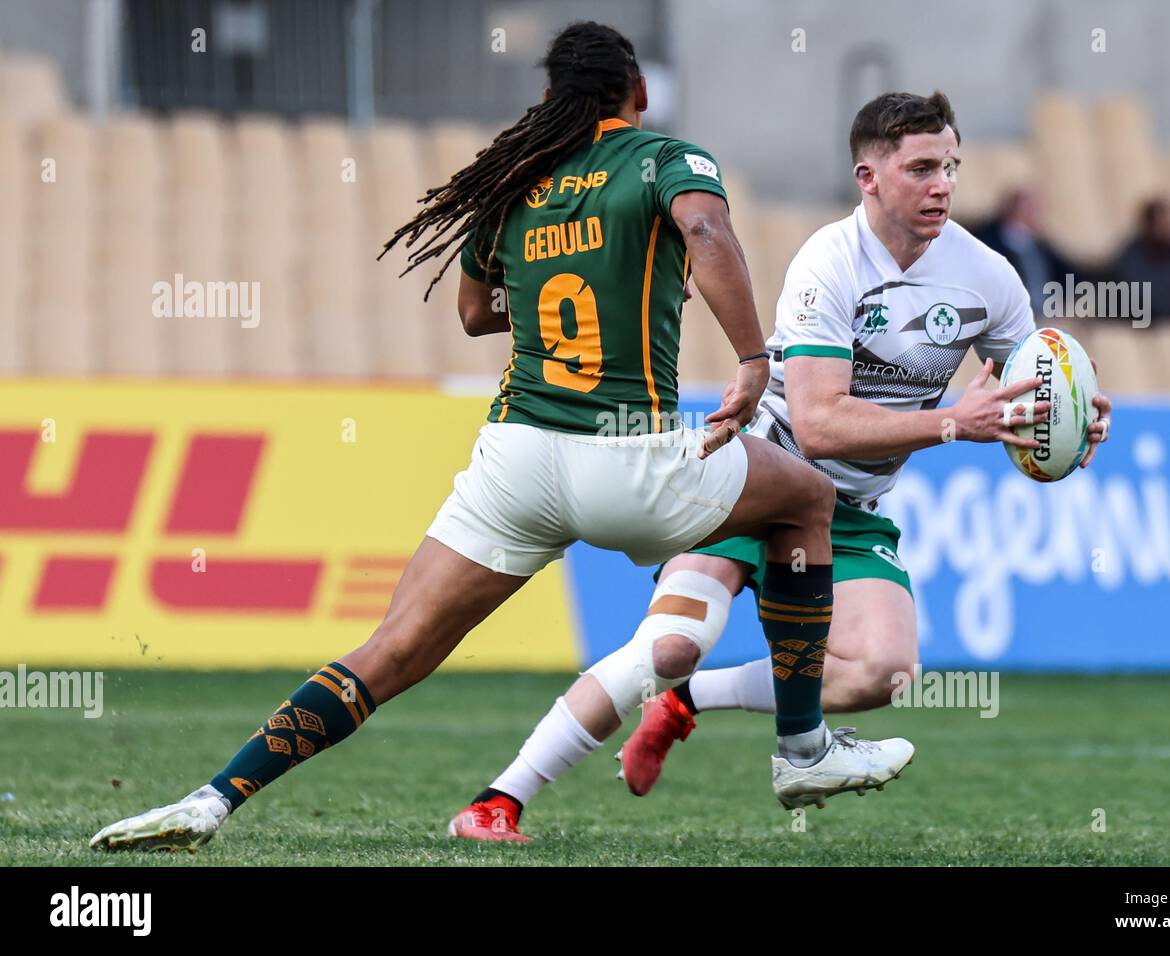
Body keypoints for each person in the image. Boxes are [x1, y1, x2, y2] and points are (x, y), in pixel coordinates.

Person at [88, 21, 895, 853]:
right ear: (639, 93)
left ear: (547, 100)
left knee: (392, 648)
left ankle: (215, 798)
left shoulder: (513, 181)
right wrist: (754, 358)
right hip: (630, 462)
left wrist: (551, 289)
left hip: (516, 463)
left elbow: (476, 314)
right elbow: (705, 233)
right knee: (806, 496)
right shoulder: (665, 159)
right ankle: (801, 750)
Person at [451, 90, 1113, 842]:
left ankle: (689, 703)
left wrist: (1076, 416)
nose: (943, 186)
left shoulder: (986, 276)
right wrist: (954, 423)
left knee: (883, 672)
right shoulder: (827, 263)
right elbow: (822, 424)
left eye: (952, 168)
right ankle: (497, 800)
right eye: (922, 168)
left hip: (849, 509)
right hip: (750, 480)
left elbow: (1030, 382)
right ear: (868, 176)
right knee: (668, 647)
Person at [973, 188, 1085, 321]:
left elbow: (1071, 275)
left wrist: (1063, 301)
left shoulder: (1040, 245)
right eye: (1029, 208)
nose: (1035, 214)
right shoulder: (987, 241)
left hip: (1044, 313)